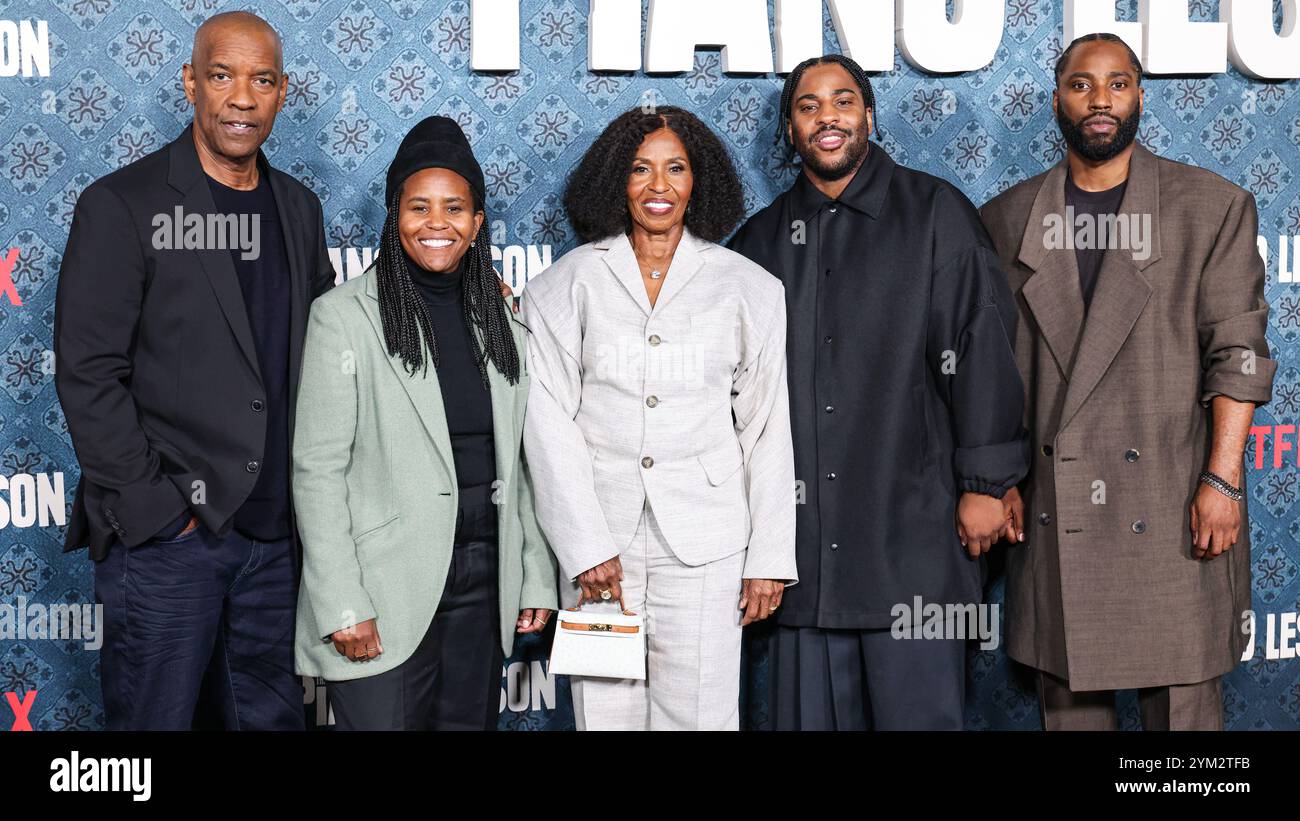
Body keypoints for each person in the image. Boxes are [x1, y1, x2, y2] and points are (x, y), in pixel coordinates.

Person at [980, 34, 1276, 730]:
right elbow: (993, 370)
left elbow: (1237, 352)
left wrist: (1224, 481)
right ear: (1057, 100)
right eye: (1082, 85)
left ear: (1140, 95)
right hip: (1060, 512)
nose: (1100, 100)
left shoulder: (1210, 207)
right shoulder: (1007, 219)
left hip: (1174, 508)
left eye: (1117, 84)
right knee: (1073, 713)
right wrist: (999, 478)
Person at [728, 54, 1029, 730]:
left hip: (913, 551)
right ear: (789, 129)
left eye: (842, 101)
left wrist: (986, 480)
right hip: (803, 564)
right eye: (808, 106)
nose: (826, 116)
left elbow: (981, 346)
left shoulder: (935, 214)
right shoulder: (760, 243)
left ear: (868, 114)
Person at [55, 11, 332, 730]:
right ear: (190, 83)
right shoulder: (123, 204)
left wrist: (464, 291)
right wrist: (156, 512)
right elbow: (88, 372)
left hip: (276, 543)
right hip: (171, 542)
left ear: (281, 92)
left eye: (261, 80)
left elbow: (338, 340)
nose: (242, 97)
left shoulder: (299, 209)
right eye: (221, 75)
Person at [522, 105, 797, 730]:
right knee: (606, 715)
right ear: (616, 180)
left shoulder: (748, 287)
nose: (658, 186)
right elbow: (547, 425)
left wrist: (768, 558)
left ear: (699, 181)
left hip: (707, 541)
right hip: (602, 540)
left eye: (675, 168)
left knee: (699, 714)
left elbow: (765, 428)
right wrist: (584, 545)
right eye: (641, 169)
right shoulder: (565, 284)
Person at [292, 116, 557, 731]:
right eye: (419, 207)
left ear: (477, 221)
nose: (437, 223)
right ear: (394, 215)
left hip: (484, 579)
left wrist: (535, 576)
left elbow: (521, 461)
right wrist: (341, 601)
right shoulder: (343, 318)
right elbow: (318, 471)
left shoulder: (504, 321)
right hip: (384, 584)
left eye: (455, 208)